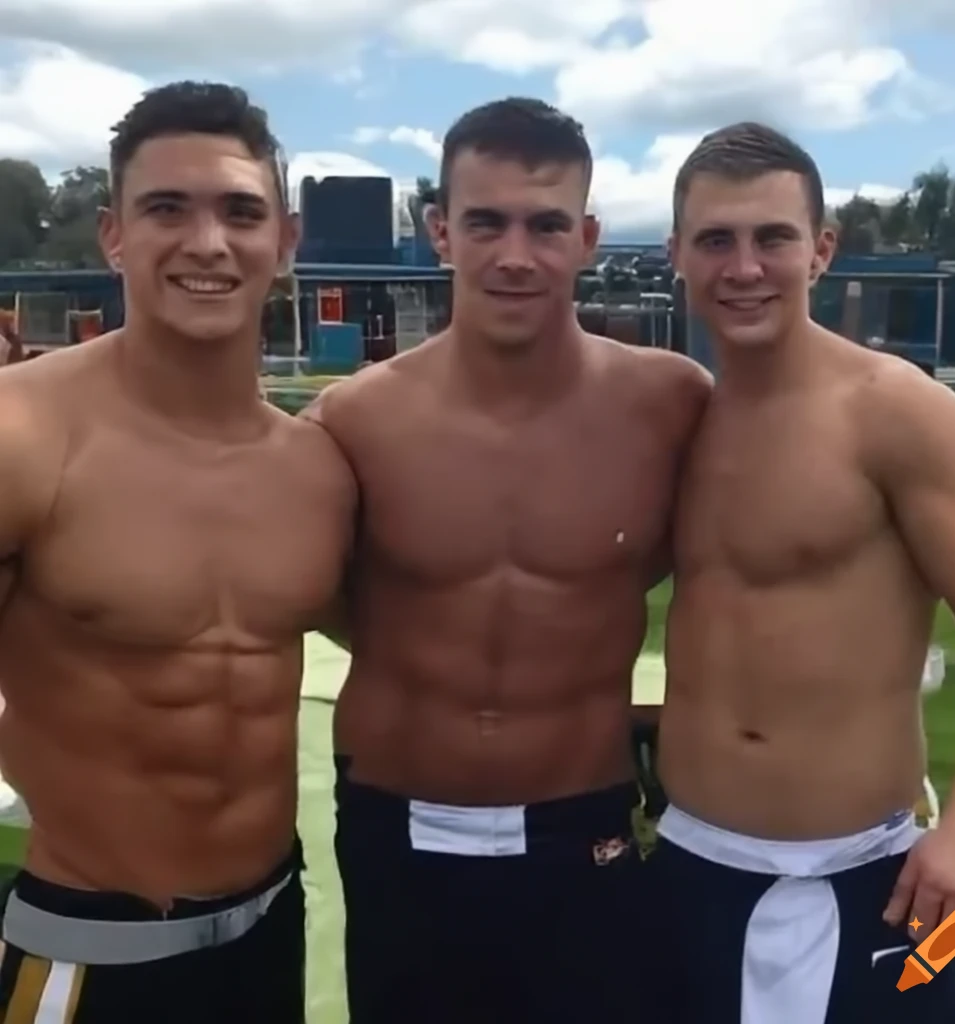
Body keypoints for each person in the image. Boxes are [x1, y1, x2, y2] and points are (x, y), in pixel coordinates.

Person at [302, 96, 712, 1024]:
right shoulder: (355, 420)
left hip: (586, 831)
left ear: (590, 236)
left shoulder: (671, 407)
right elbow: (301, 594)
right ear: (440, 230)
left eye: (546, 224)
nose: (516, 254)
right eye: (486, 222)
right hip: (397, 826)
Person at [0, 81, 357, 1023]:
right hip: (88, 947)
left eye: (240, 212)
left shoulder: (314, 468)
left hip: (271, 929)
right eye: (168, 208)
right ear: (114, 236)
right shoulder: (25, 438)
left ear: (284, 242)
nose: (207, 243)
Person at [652, 121, 955, 1023]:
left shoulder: (892, 410)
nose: (744, 266)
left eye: (772, 237)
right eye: (716, 240)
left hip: (874, 880)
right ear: (678, 257)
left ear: (821, 250)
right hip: (690, 871)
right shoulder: (671, 418)